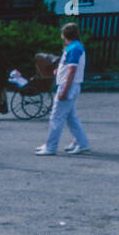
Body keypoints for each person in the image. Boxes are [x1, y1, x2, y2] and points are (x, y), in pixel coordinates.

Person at [37, 23, 90, 156]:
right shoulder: (75, 47)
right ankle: (82, 143)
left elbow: (72, 70)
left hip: (68, 86)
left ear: (64, 35)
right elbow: (69, 68)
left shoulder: (73, 48)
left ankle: (50, 147)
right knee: (71, 117)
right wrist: (59, 70)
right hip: (71, 85)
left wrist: (64, 91)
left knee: (56, 117)